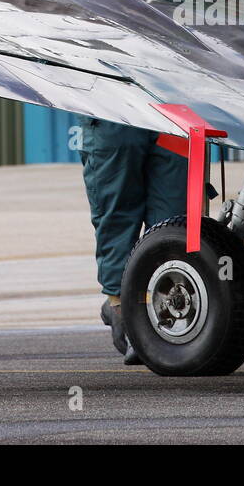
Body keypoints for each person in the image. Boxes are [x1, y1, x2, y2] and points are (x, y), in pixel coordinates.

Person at [78, 117, 187, 364]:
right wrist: (119, 297)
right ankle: (121, 306)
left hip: (172, 114)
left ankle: (163, 312)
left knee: (173, 226)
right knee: (117, 214)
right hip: (113, 111)